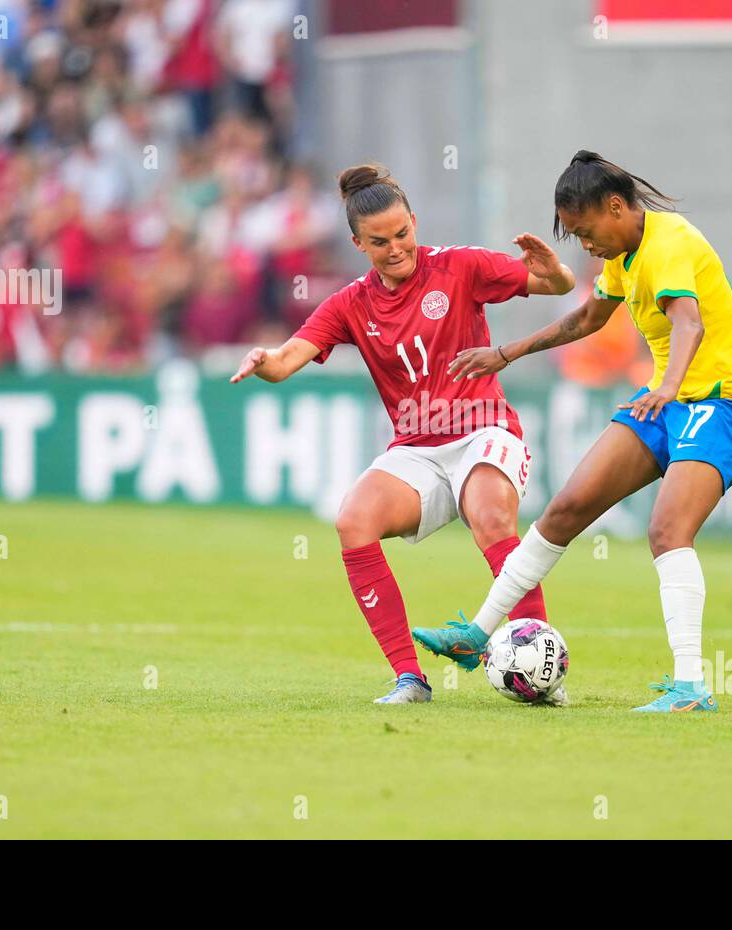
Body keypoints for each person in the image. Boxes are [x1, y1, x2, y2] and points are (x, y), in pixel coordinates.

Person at [413, 150, 732, 713]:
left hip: (725, 404)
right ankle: (477, 634)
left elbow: (688, 321)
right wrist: (507, 352)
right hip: (669, 402)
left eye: (586, 231)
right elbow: (586, 320)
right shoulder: (623, 260)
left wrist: (670, 385)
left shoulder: (670, 243)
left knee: (667, 530)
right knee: (566, 509)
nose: (586, 246)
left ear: (615, 205)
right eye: (577, 237)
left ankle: (691, 688)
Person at [230, 164, 576, 703]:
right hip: (417, 449)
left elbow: (558, 286)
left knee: (489, 514)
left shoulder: (459, 267)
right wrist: (264, 359)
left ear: (414, 222)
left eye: (402, 234)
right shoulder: (350, 304)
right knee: (353, 520)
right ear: (357, 243)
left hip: (483, 428)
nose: (395, 249)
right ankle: (410, 679)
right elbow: (286, 361)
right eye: (379, 242)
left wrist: (553, 271)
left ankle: (542, 671)